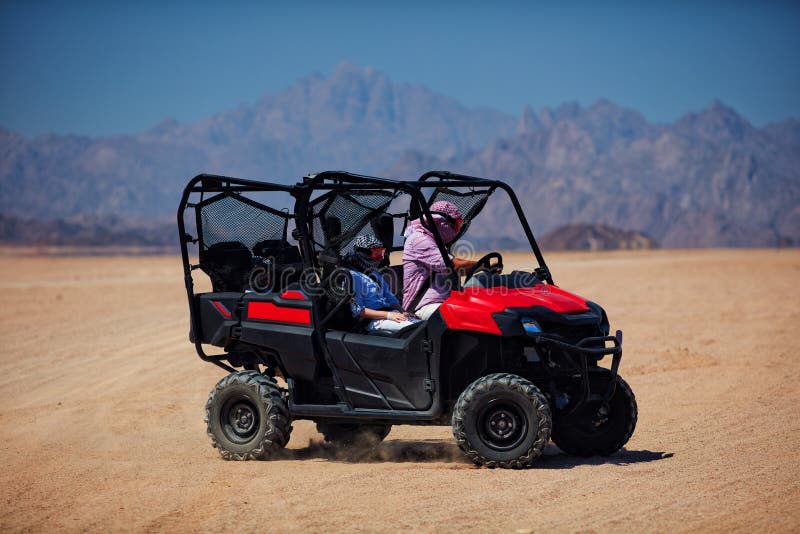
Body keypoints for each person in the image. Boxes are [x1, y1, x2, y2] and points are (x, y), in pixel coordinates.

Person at [402, 201, 477, 320]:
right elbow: (452, 266)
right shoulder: (419, 239)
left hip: (445, 301)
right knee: (467, 316)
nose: (457, 230)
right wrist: (481, 265)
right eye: (457, 224)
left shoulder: (437, 243)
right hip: (423, 306)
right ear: (442, 223)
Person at [344, 235, 420, 333]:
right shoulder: (353, 277)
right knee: (414, 330)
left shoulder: (374, 274)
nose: (379, 258)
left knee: (421, 325)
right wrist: (388, 315)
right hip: (371, 321)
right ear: (364, 253)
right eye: (376, 254)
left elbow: (390, 297)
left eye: (381, 253)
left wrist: (402, 312)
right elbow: (358, 311)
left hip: (389, 313)